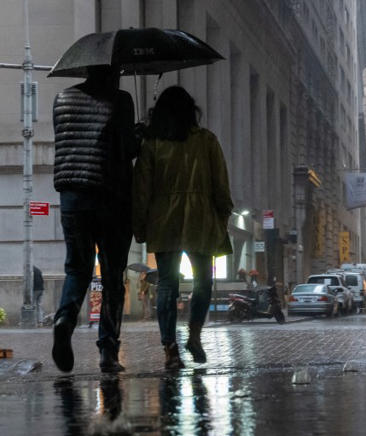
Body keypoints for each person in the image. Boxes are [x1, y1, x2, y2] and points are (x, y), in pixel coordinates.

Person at [133, 86, 233, 370]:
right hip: (201, 220)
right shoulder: (207, 141)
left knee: (167, 284)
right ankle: (195, 335)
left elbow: (141, 190)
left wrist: (140, 226)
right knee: (204, 282)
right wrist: (222, 215)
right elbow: (221, 185)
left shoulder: (152, 145)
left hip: (163, 221)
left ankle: (170, 348)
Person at [51, 65, 137, 373]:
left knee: (77, 268)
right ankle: (108, 351)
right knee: (112, 276)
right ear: (112, 74)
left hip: (72, 196)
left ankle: (64, 319)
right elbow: (127, 148)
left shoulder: (62, 99)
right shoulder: (121, 100)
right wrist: (139, 133)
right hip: (110, 196)